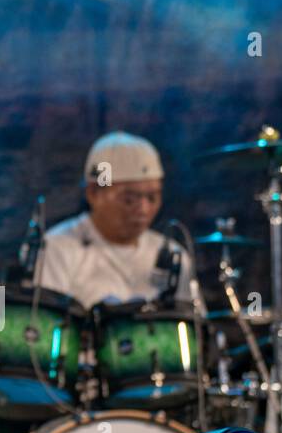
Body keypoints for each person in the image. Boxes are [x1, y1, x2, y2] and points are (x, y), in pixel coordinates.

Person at [35, 131, 193, 309]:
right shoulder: (57, 247)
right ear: (94, 193)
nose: (143, 209)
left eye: (152, 198)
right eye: (129, 199)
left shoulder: (172, 255)